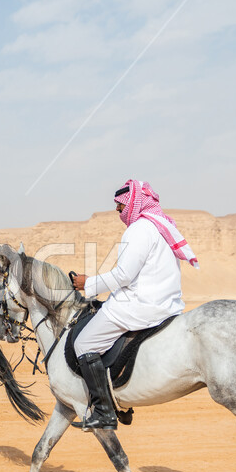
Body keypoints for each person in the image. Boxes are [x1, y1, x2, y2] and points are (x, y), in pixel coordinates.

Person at [68, 180, 198, 430]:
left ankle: (105, 411)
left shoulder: (139, 229)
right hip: (166, 304)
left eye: (120, 208)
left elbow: (123, 276)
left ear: (133, 203)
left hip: (141, 305)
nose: (120, 214)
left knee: (83, 343)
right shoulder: (162, 226)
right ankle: (121, 402)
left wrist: (88, 283)